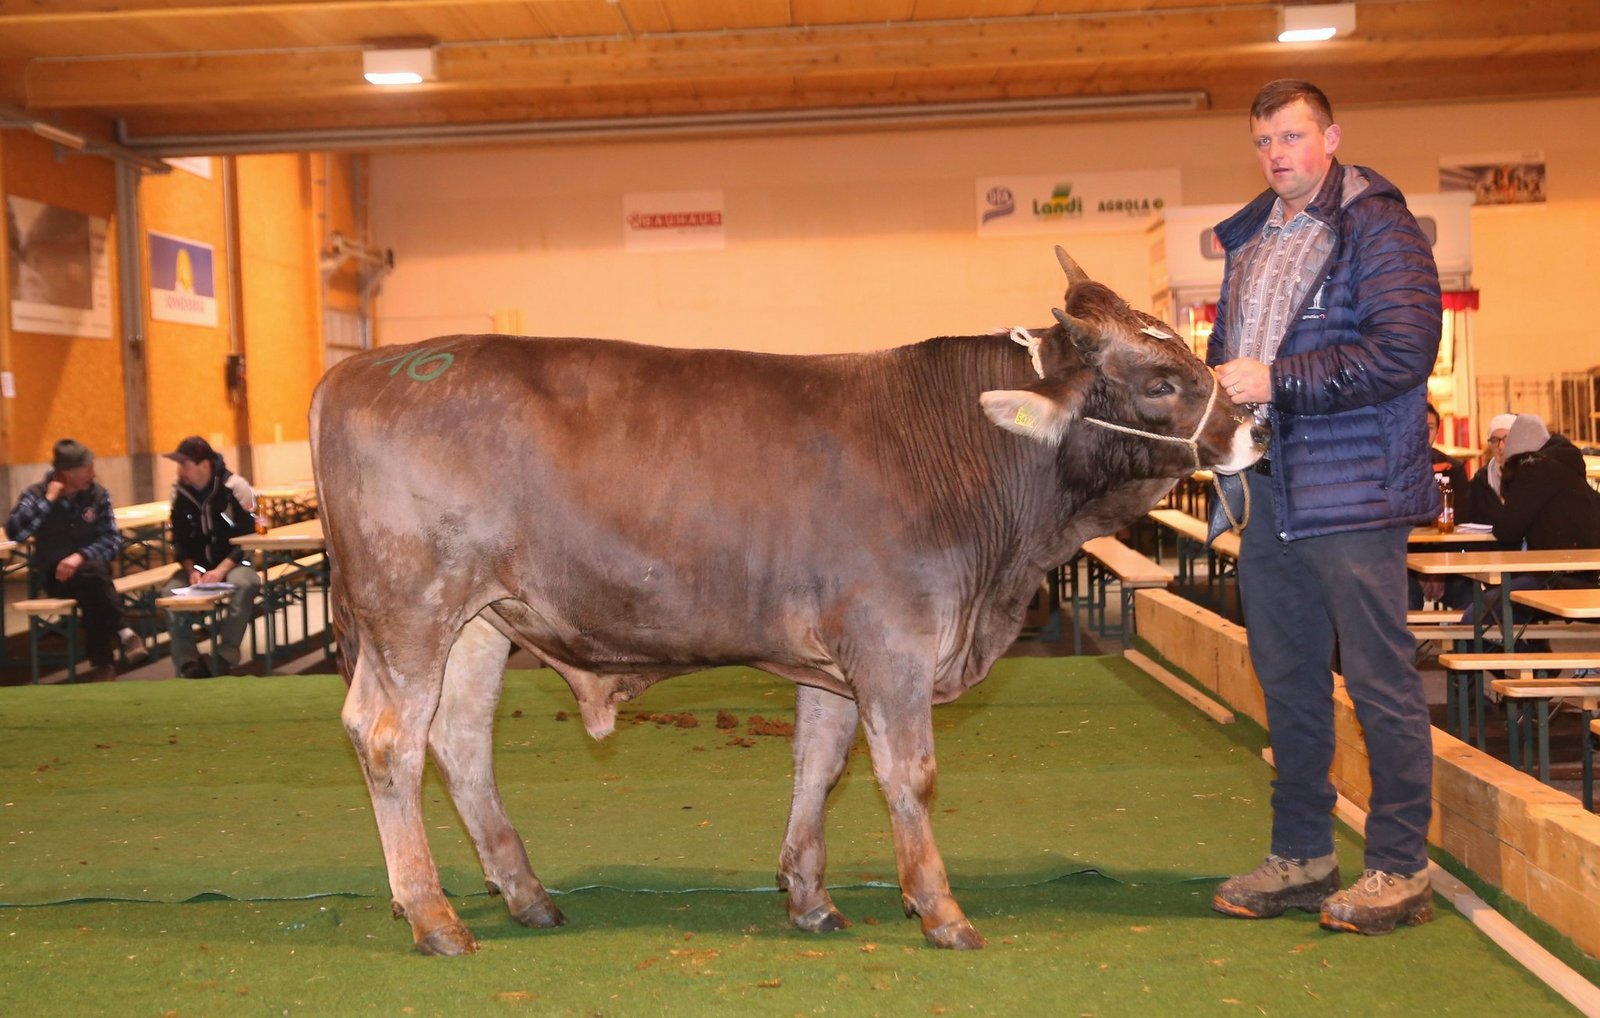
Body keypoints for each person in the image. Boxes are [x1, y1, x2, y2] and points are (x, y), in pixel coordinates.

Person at [1206, 80, 1442, 935]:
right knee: (1289, 681)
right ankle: (1304, 855)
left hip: (1355, 490)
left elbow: (1405, 350)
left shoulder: (1378, 226)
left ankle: (1400, 868)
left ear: (1331, 137)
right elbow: (1235, 355)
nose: (1277, 152)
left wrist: (1279, 381)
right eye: (1264, 138)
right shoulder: (1252, 242)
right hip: (1269, 489)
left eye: (1294, 135)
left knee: (1380, 682)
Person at [4, 439, 148, 681]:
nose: (94, 474)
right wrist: (47, 501)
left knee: (92, 579)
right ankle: (122, 631)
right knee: (96, 583)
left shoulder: (98, 495)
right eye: (88, 469)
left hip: (92, 573)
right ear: (68, 473)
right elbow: (15, 532)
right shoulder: (36, 494)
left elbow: (112, 540)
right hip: (55, 577)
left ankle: (105, 665)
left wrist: (79, 557)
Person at [160, 436, 261, 677]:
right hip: (197, 569)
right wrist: (191, 570)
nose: (179, 471)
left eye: (184, 465)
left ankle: (225, 655)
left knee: (246, 584)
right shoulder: (180, 494)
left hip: (235, 563)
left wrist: (221, 570)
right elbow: (179, 540)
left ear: (204, 465)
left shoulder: (235, 487)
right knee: (168, 594)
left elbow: (248, 537)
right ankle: (188, 662)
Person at [1463, 412, 1517, 528]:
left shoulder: (1531, 475)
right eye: (1494, 440)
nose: (1500, 446)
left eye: (1506, 439)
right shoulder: (1480, 481)